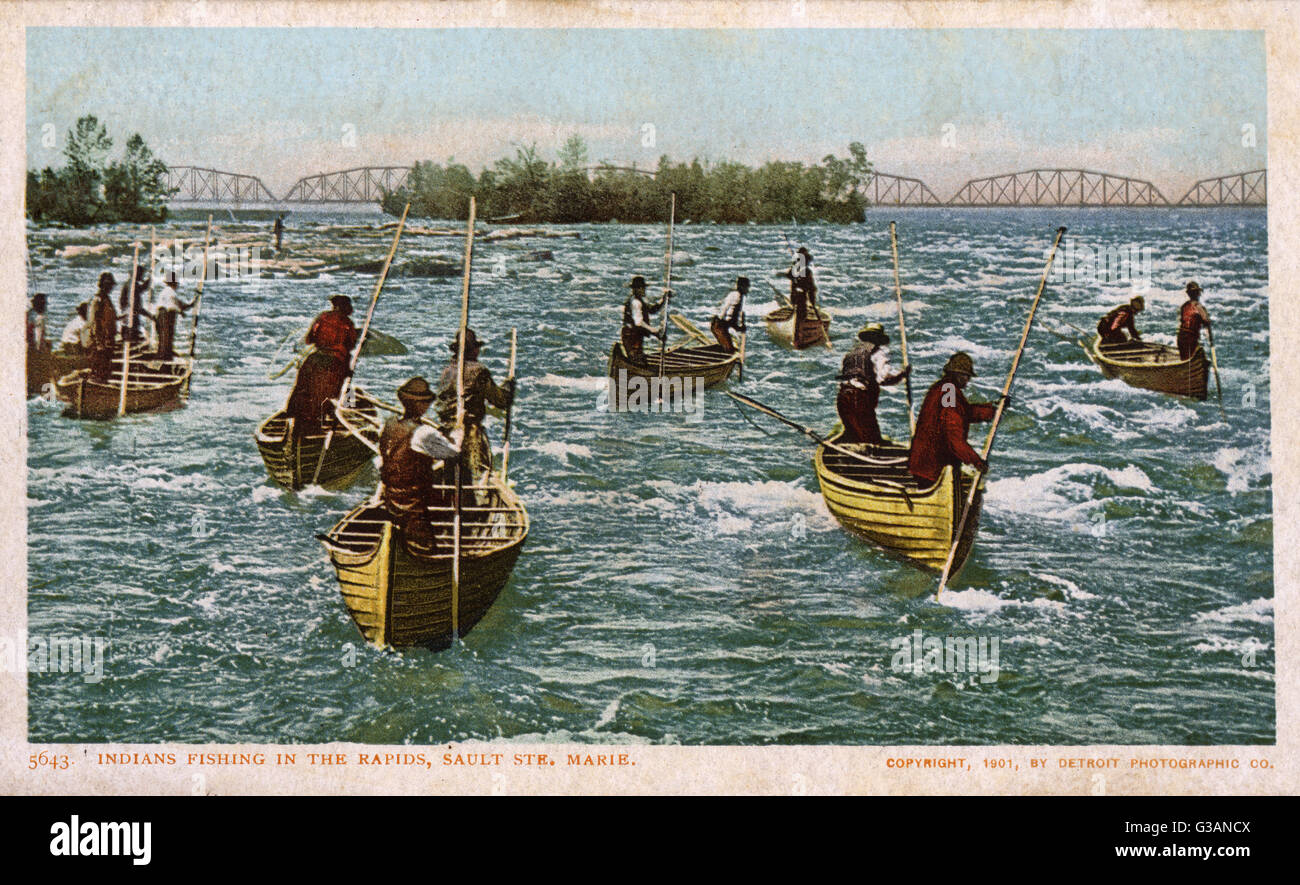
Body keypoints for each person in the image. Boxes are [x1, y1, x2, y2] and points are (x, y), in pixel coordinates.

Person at [379, 377, 462, 555]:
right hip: (413, 508)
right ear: (422, 405)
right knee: (427, 549)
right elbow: (453, 453)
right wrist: (457, 434)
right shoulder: (423, 432)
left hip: (391, 501)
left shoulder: (389, 424)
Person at [435, 327, 514, 483]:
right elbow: (500, 400)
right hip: (468, 432)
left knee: (450, 476)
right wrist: (509, 387)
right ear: (472, 351)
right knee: (476, 473)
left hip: (446, 431)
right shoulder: (478, 371)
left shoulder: (447, 371)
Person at [909, 352, 1000, 485]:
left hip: (925, 464)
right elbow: (953, 433)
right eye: (966, 375)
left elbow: (965, 413)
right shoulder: (949, 392)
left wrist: (993, 409)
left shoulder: (944, 388)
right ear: (957, 374)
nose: (968, 380)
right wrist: (976, 462)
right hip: (932, 468)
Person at [286, 294, 359, 434]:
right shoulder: (347, 323)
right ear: (344, 307)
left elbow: (309, 339)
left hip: (314, 359)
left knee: (303, 389)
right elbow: (350, 344)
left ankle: (299, 423)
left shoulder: (322, 317)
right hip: (334, 363)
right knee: (337, 389)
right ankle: (331, 417)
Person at [836, 323, 910, 445]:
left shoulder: (852, 353)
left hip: (843, 397)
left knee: (854, 435)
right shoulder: (878, 353)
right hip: (858, 398)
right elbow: (883, 379)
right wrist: (902, 375)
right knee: (872, 440)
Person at [619, 275, 668, 364]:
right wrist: (655, 331)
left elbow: (652, 310)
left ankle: (631, 369)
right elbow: (639, 323)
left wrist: (663, 300)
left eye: (643, 288)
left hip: (635, 335)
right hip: (631, 336)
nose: (644, 290)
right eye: (642, 288)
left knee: (638, 358)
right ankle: (627, 370)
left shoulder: (639, 301)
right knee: (636, 359)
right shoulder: (635, 302)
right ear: (636, 289)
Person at [149, 270, 195, 360]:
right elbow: (172, 306)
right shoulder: (170, 292)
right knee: (165, 336)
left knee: (165, 336)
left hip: (163, 316)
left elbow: (179, 304)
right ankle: (163, 355)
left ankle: (166, 353)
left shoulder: (168, 291)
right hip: (165, 315)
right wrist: (181, 311)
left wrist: (190, 304)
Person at [786, 246, 821, 347]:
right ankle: (798, 338)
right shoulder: (804, 271)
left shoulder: (795, 269)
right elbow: (811, 289)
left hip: (795, 296)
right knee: (801, 316)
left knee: (799, 316)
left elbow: (790, 276)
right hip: (800, 297)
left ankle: (798, 337)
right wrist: (813, 302)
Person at [87, 272, 118, 382]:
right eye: (109, 285)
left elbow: (109, 317)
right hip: (101, 341)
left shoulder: (106, 299)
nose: (110, 288)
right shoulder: (98, 300)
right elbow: (94, 322)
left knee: (106, 368)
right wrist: (99, 342)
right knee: (99, 368)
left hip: (108, 340)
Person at [710, 276, 749, 353]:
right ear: (741, 287)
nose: (747, 290)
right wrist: (720, 320)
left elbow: (733, 318)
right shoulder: (735, 295)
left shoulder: (741, 297)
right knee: (729, 350)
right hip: (719, 325)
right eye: (746, 287)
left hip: (723, 325)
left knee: (730, 348)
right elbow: (724, 308)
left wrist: (740, 327)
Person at [1177, 281, 1212, 360]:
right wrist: (1207, 321)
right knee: (1190, 358)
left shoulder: (1184, 306)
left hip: (1181, 337)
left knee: (1185, 358)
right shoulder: (1199, 307)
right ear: (1198, 294)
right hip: (1191, 338)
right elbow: (1206, 321)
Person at [118, 265, 151, 343]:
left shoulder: (130, 283)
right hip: (130, 323)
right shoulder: (132, 286)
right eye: (142, 274)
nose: (142, 276)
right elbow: (137, 307)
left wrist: (149, 280)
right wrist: (150, 316)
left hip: (127, 321)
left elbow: (141, 289)